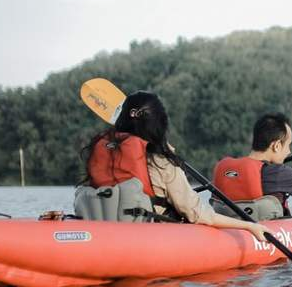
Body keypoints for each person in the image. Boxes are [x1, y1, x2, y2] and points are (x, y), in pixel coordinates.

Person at [75, 91, 268, 239]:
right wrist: (250, 226)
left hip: (103, 232)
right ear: (159, 125)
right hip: (149, 238)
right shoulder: (161, 162)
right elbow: (200, 215)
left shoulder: (100, 152)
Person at [210, 112, 292, 220]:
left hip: (231, 227)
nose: (289, 151)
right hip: (266, 230)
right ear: (276, 146)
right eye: (288, 145)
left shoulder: (224, 170)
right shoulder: (277, 173)